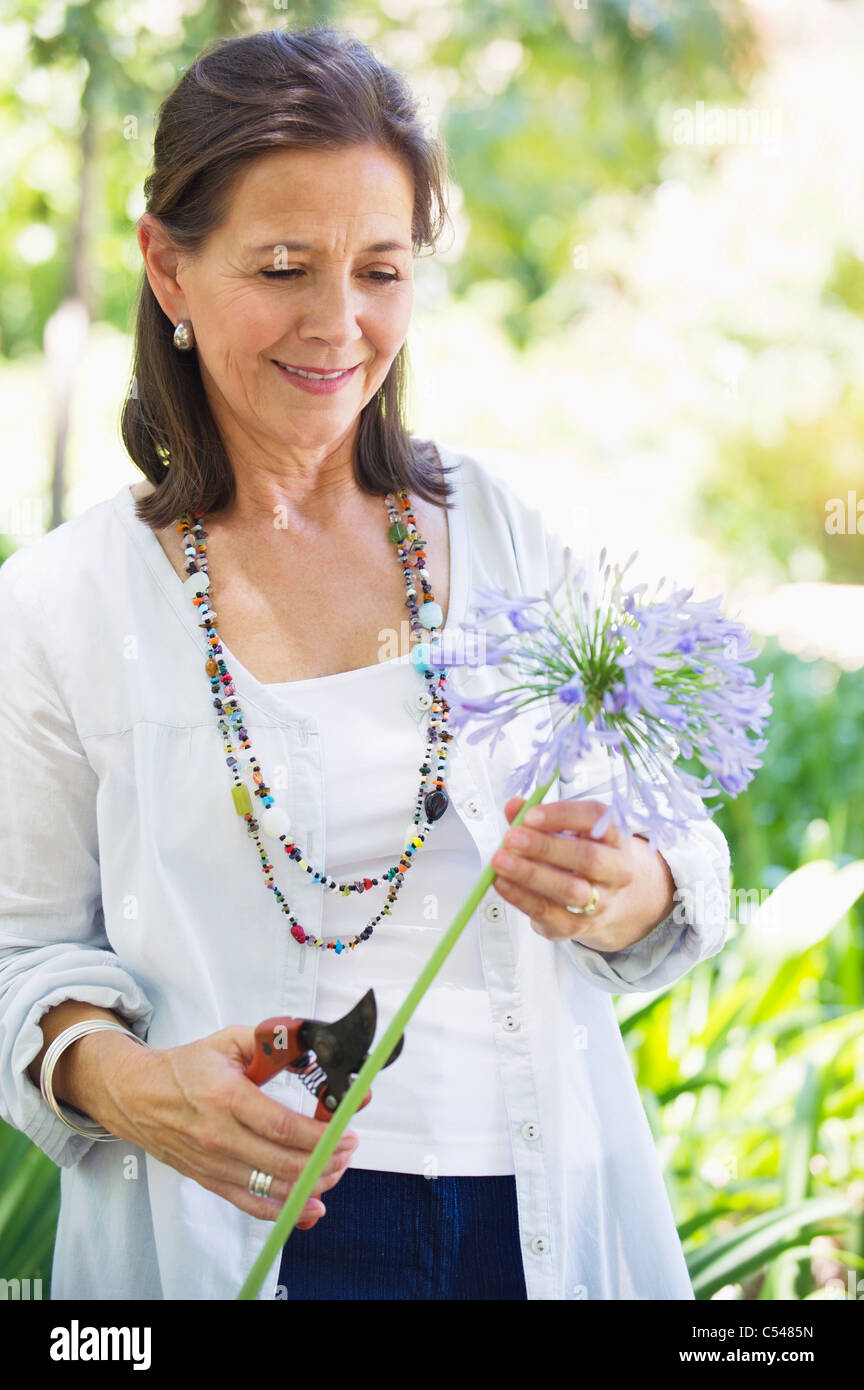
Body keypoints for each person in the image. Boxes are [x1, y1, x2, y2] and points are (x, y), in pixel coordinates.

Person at [0, 26, 730, 1301]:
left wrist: (636, 886)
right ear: (166, 268)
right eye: (282, 267)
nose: (338, 324)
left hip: (535, 1219)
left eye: (381, 270)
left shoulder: (507, 533)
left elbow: (683, 848)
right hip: (240, 1229)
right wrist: (128, 1086)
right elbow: (16, 958)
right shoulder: (63, 602)